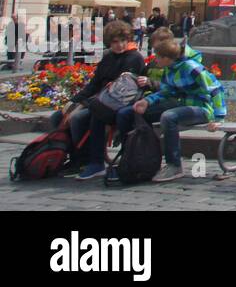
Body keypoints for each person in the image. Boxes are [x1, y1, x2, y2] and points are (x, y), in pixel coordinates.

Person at [116, 36, 226, 182]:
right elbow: (166, 91)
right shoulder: (169, 70)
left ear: (167, 58)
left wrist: (218, 119)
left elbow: (216, 89)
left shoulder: (191, 68)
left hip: (201, 109)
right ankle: (139, 159)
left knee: (169, 116)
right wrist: (147, 101)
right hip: (183, 106)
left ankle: (174, 165)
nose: (156, 61)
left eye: (158, 58)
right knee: (131, 113)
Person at [56, 20, 146, 180]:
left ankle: (93, 161)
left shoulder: (134, 58)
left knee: (80, 117)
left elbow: (120, 90)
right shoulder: (108, 58)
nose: (119, 45)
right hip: (100, 99)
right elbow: (94, 84)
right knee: (59, 115)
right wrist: (74, 101)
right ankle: (73, 157)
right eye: (115, 42)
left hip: (117, 102)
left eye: (123, 41)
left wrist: (85, 104)